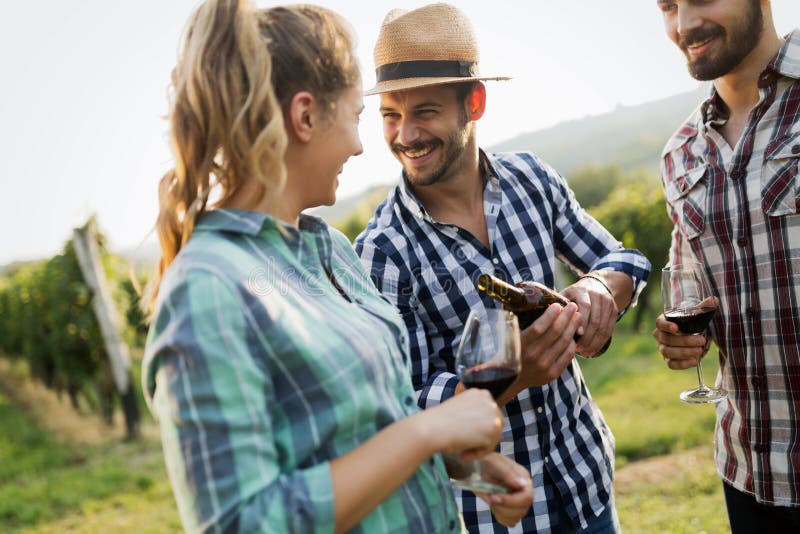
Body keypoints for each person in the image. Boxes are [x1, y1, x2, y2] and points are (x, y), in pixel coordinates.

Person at [142, 1, 534, 532]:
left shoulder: (330, 251)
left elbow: (362, 436)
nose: (358, 145)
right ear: (305, 116)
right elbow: (241, 521)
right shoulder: (209, 288)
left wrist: (467, 467)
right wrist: (429, 432)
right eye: (356, 117)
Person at [355, 4, 651, 532]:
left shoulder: (531, 179)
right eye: (390, 116)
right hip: (498, 516)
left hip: (587, 483)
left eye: (424, 111)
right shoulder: (383, 250)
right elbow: (404, 405)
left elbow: (622, 259)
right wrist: (516, 376)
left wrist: (598, 288)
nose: (405, 135)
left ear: (475, 102)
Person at [652, 0, 800, 531]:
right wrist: (682, 338)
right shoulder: (680, 154)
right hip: (748, 473)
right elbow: (691, 287)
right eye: (668, 6)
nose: (684, 24)